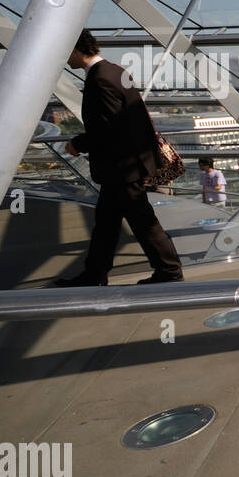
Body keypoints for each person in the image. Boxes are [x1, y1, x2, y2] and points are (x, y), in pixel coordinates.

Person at [56, 29, 184, 286]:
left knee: (143, 221)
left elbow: (109, 126)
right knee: (106, 223)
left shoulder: (100, 78)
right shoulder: (114, 70)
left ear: (75, 49)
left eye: (63, 52)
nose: (62, 59)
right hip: (126, 163)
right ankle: (94, 274)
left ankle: (169, 271)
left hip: (121, 166)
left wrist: (78, 143)